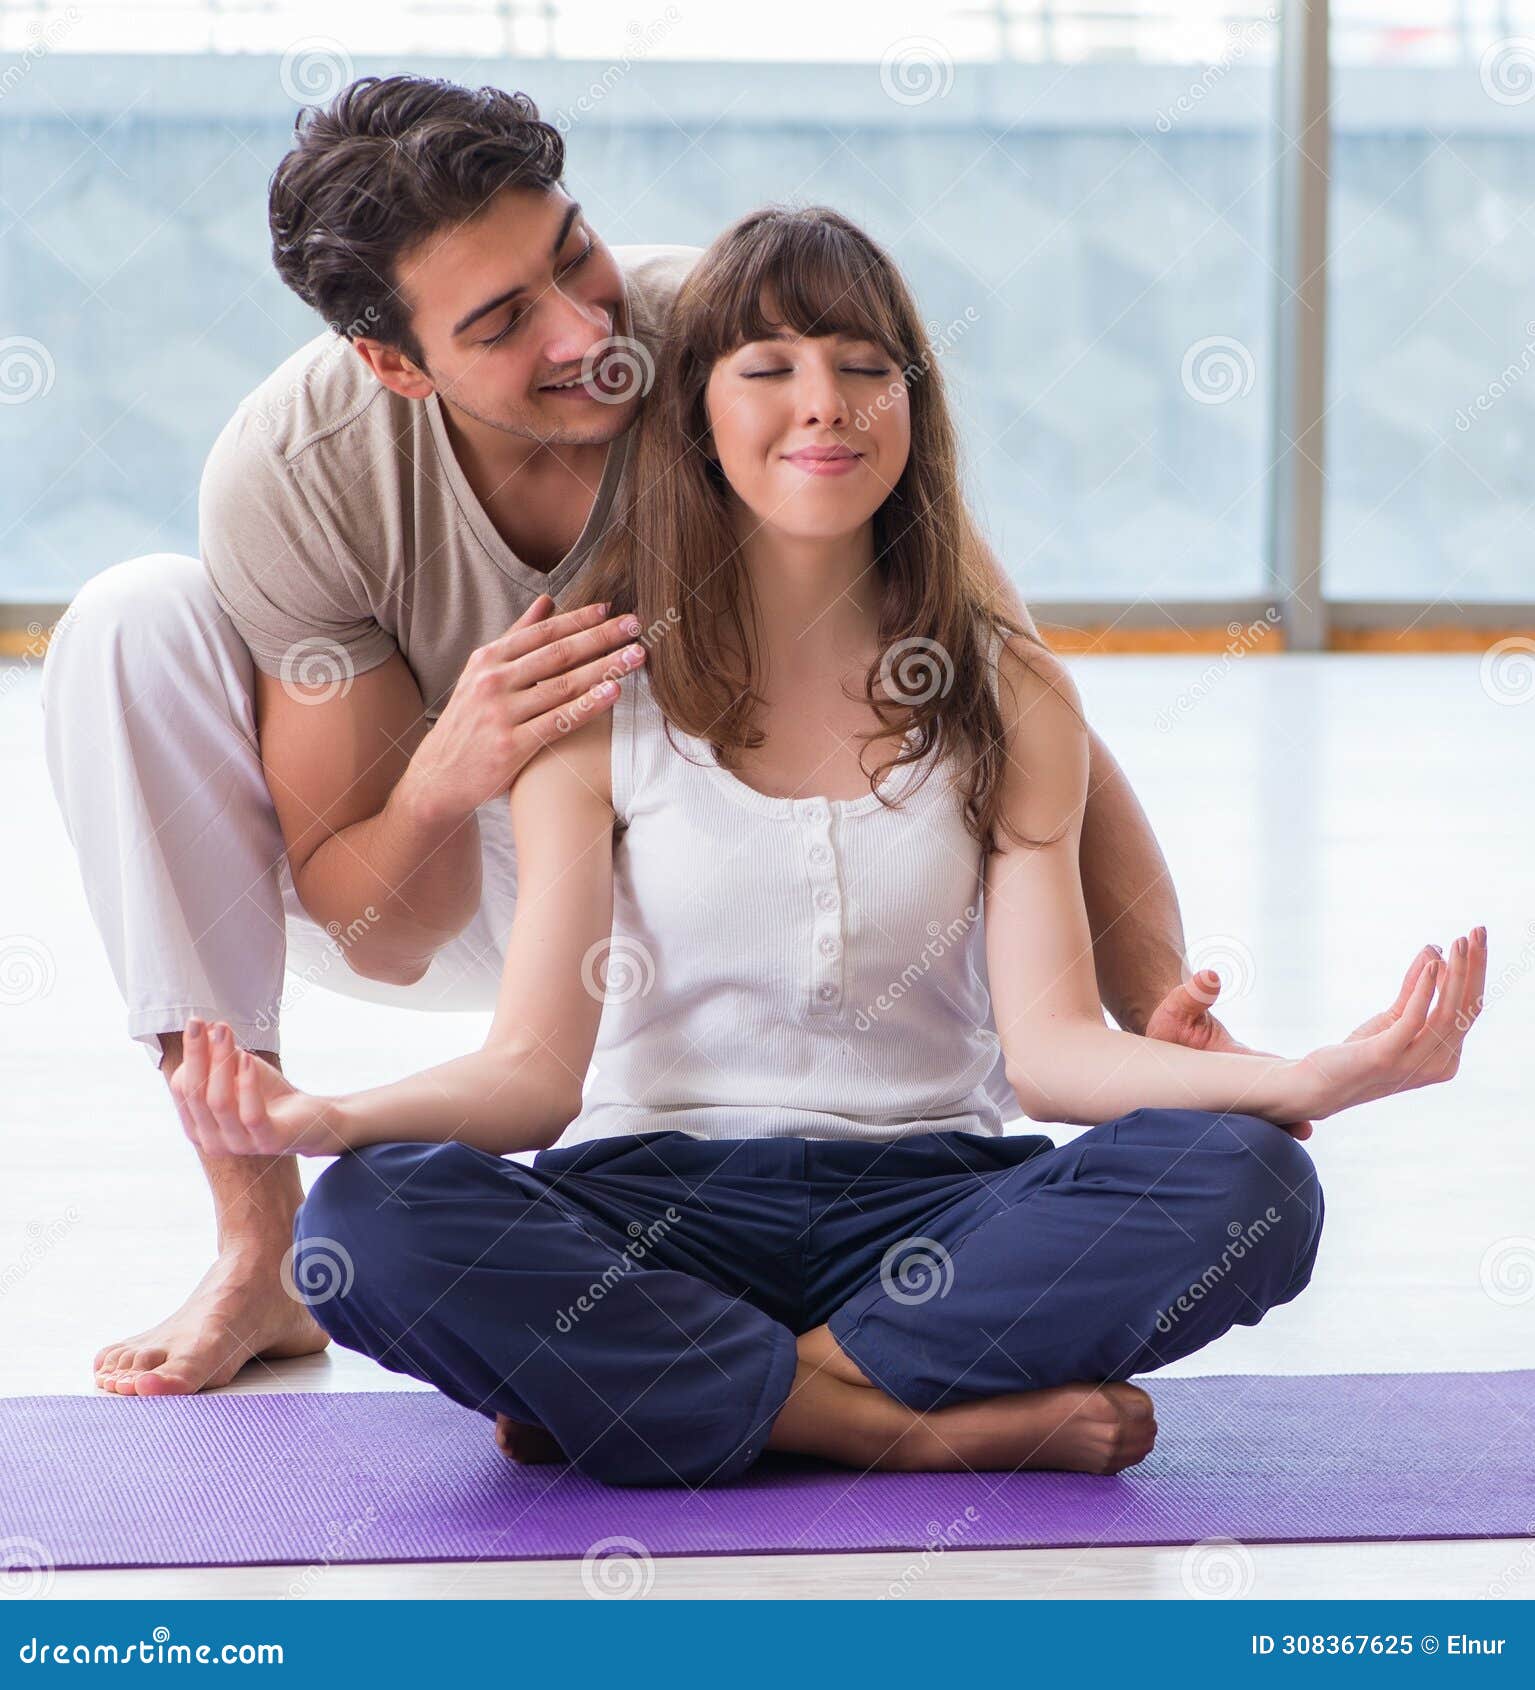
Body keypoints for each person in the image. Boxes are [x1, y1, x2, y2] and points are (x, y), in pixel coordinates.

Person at [171, 205, 1486, 1488]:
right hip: (656, 1207)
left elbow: (1056, 1058)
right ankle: (892, 1422)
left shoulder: (1006, 692)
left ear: (914, 411)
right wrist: (327, 1117)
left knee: (1255, 1185)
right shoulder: (599, 704)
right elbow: (530, 1076)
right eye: (773, 368)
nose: (828, 403)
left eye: (868, 368)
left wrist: (1315, 1073)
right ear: (694, 414)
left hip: (935, 1206)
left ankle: (682, 1392)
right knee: (363, 1221)